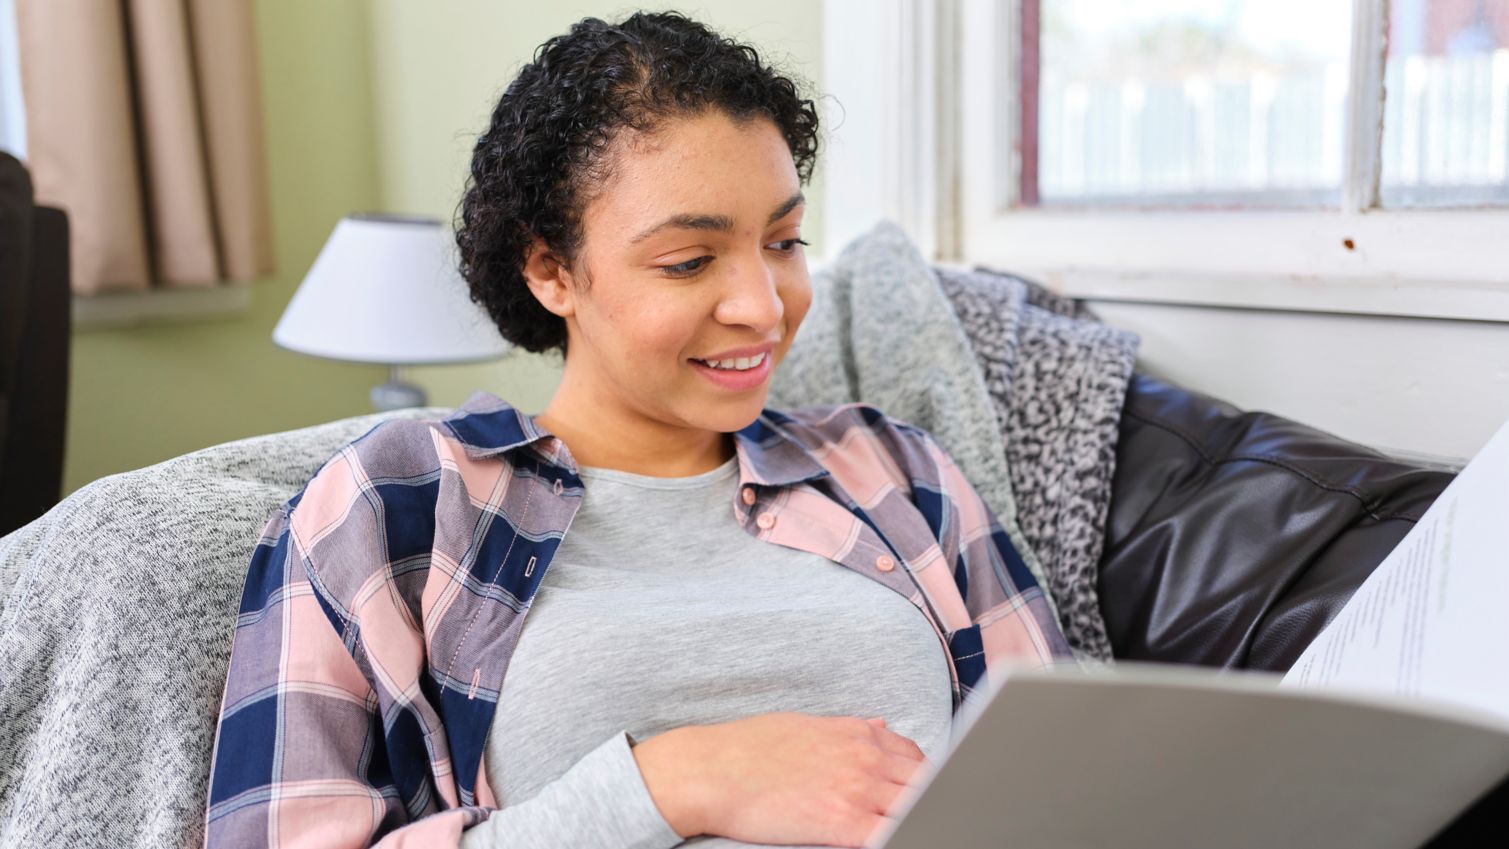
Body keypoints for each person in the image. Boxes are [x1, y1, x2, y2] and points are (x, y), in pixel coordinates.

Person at [202, 11, 1072, 849]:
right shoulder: (398, 501)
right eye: (689, 261)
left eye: (783, 240)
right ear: (551, 270)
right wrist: (675, 780)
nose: (764, 307)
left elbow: (1074, 784)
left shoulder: (891, 467)